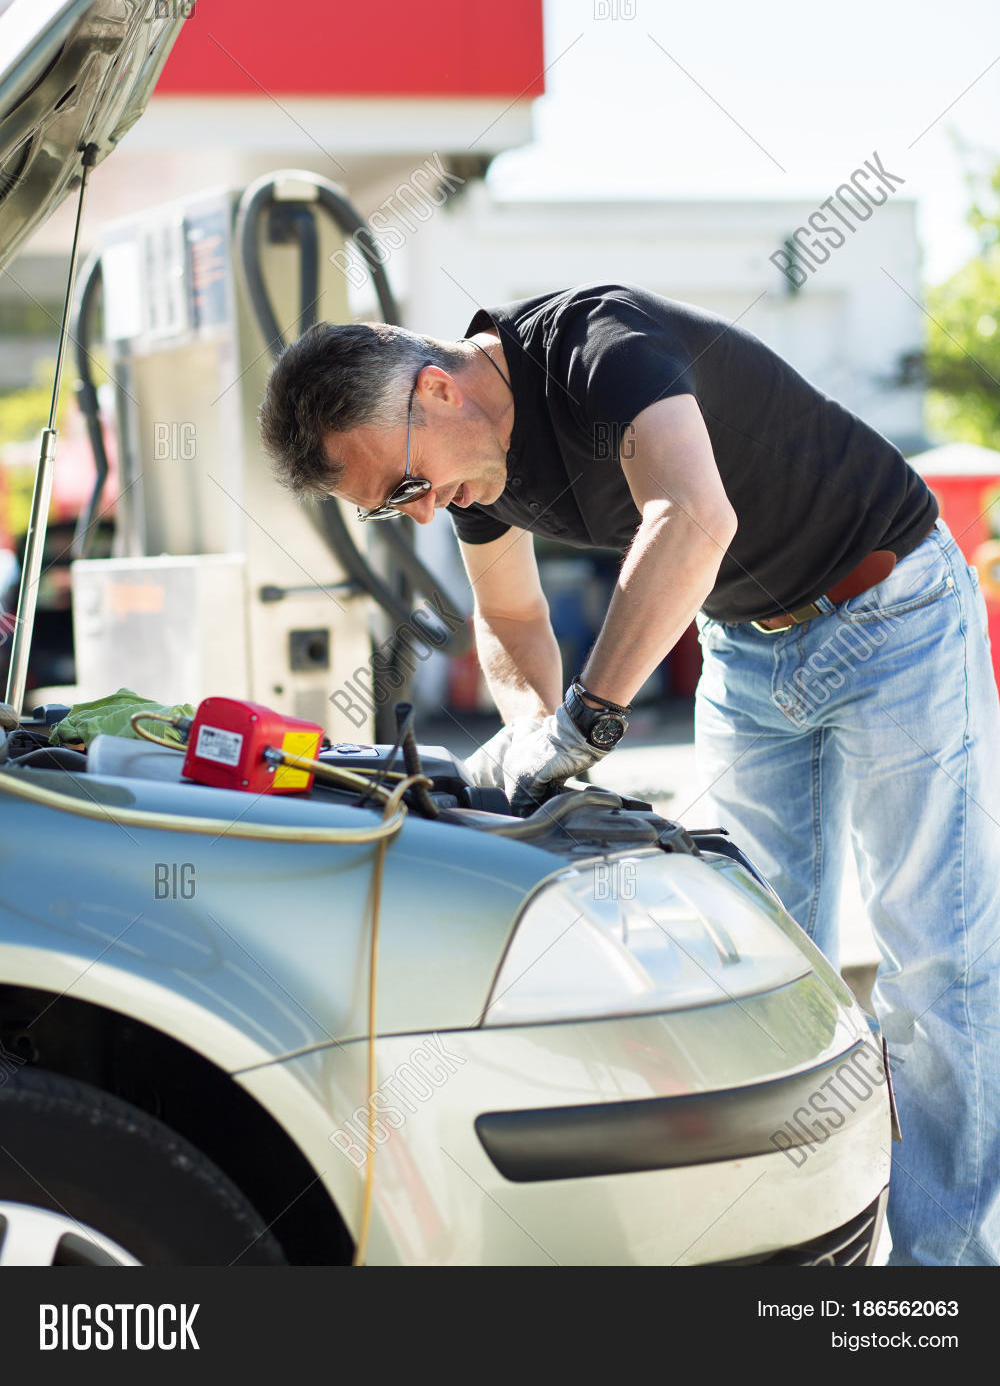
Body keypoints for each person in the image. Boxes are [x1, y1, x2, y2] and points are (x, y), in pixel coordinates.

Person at [258, 280, 1000, 1267]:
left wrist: (591, 715)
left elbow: (692, 515)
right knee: (770, 969)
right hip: (746, 645)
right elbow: (513, 621)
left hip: (888, 606)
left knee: (936, 958)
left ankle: (940, 1278)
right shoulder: (476, 470)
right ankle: (810, 1251)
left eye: (403, 487)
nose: (425, 512)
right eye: (393, 510)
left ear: (434, 389)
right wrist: (532, 737)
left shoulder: (594, 344)